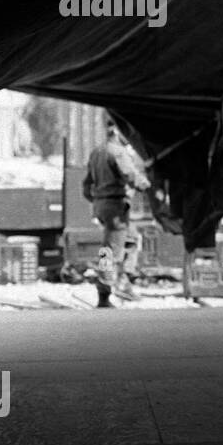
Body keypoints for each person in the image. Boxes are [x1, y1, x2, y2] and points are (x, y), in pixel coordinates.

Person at [82, 120, 150, 308]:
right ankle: (105, 290)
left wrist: (98, 199)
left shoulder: (97, 152)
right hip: (115, 206)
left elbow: (86, 186)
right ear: (117, 131)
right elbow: (131, 176)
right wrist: (146, 183)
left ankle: (124, 280)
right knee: (109, 251)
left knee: (132, 239)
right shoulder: (118, 152)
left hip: (102, 206)